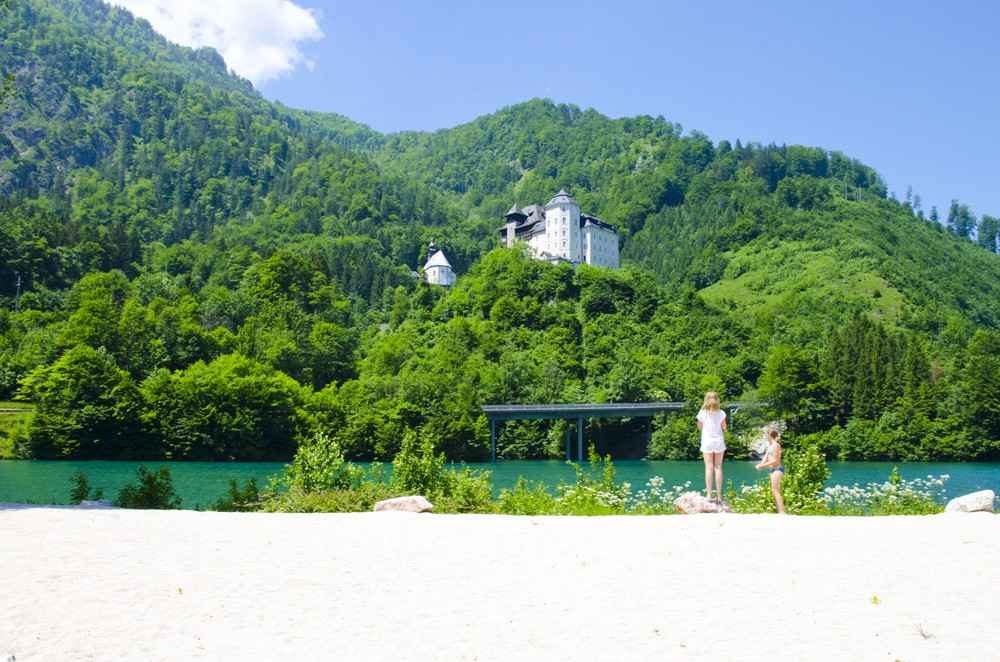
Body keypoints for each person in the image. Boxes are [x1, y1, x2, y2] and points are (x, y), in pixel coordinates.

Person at [696, 391, 727, 504]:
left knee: (709, 467)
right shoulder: (721, 413)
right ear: (717, 400)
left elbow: (699, 427)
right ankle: (719, 496)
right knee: (718, 467)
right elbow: (724, 427)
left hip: (707, 441)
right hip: (718, 440)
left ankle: (709, 495)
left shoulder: (702, 413)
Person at [755, 426, 786, 514]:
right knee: (774, 490)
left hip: (777, 469)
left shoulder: (776, 445)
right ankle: (780, 511)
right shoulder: (771, 445)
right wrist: (760, 465)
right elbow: (766, 457)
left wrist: (763, 465)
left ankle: (782, 512)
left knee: (775, 490)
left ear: (770, 435)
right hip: (773, 470)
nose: (766, 437)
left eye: (766, 435)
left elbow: (775, 460)